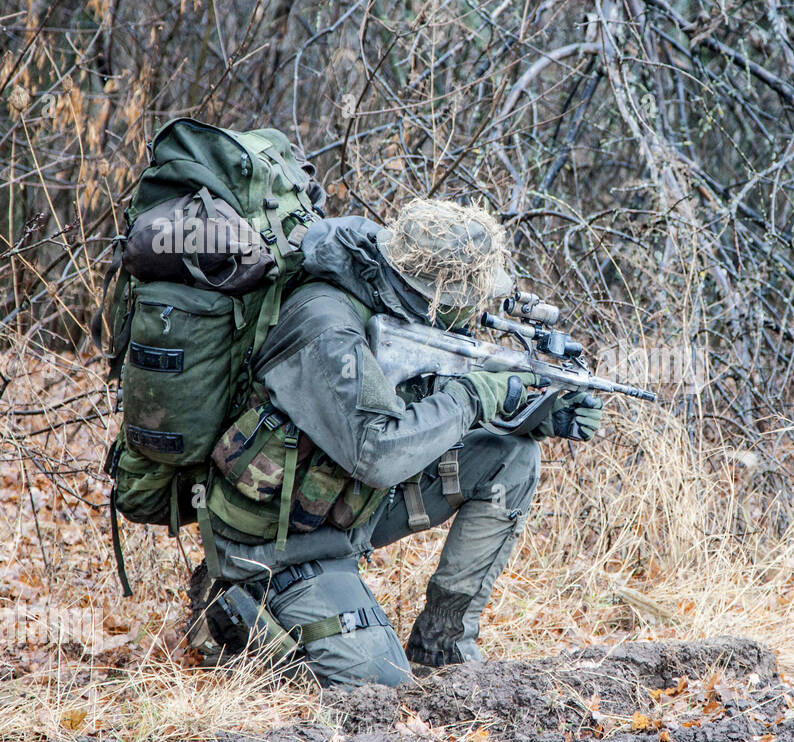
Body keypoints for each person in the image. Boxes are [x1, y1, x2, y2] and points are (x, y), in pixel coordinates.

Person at [190, 199, 603, 686]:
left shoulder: (397, 308)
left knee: (509, 457)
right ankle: (231, 605)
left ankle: (442, 645)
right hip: (278, 543)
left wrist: (534, 413)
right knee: (381, 685)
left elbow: (421, 408)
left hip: (342, 511)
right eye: (464, 299)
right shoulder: (328, 325)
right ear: (433, 292)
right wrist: (475, 395)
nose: (474, 310)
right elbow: (379, 453)